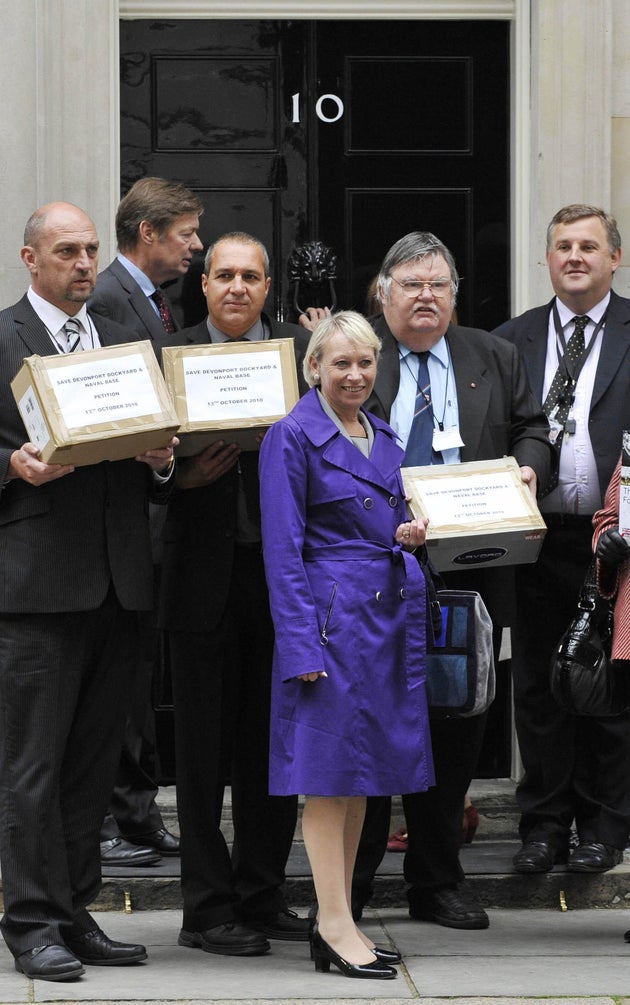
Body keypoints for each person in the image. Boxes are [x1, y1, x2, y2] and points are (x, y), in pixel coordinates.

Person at [352, 231, 554, 930]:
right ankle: (353, 877)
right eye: (411, 285)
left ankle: (436, 879)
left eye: (439, 285)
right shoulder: (358, 355)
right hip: (374, 572)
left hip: (472, 577)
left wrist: (529, 466)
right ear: (383, 294)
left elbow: (534, 428)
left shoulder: (492, 354)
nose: (427, 297)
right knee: (373, 722)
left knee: (457, 723)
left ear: (455, 294)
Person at [0, 202, 177, 982]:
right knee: (31, 769)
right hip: (37, 588)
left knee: (91, 768)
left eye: (91, 250)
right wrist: (12, 466)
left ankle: (75, 911)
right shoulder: (2, 337)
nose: (82, 263)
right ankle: (30, 921)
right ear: (29, 259)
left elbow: (153, 451)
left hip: (120, 583)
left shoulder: (123, 341)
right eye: (66, 251)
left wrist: (162, 458)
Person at [259, 310, 434, 979]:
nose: (355, 374)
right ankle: (330, 923)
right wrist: (302, 647)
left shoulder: (382, 434)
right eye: (340, 363)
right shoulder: (290, 437)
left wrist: (406, 534)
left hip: (383, 624)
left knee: (361, 778)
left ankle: (344, 919)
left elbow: (383, 523)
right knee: (328, 782)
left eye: (365, 362)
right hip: (329, 628)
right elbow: (282, 553)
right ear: (314, 368)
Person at [156, 232, 312, 957]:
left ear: (269, 284)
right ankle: (206, 907)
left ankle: (262, 890)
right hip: (199, 581)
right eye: (224, 275)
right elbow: (131, 466)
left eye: (252, 276)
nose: (238, 288)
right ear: (205, 285)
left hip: (282, 585)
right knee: (200, 757)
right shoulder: (167, 358)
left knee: (271, 749)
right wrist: (176, 479)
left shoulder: (300, 356)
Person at [494, 204, 630, 874]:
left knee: (609, 684)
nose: (574, 257)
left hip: (618, 545)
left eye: (588, 246)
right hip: (536, 539)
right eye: (562, 246)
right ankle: (544, 824)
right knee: (540, 683)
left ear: (615, 257)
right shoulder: (510, 340)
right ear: (546, 259)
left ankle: (606, 824)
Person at [89, 178, 203, 866]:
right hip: (121, 522)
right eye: (187, 232)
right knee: (116, 682)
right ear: (149, 233)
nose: (196, 244)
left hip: (154, 510)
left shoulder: (159, 301)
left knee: (139, 674)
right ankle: (108, 815)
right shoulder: (106, 299)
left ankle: (136, 811)